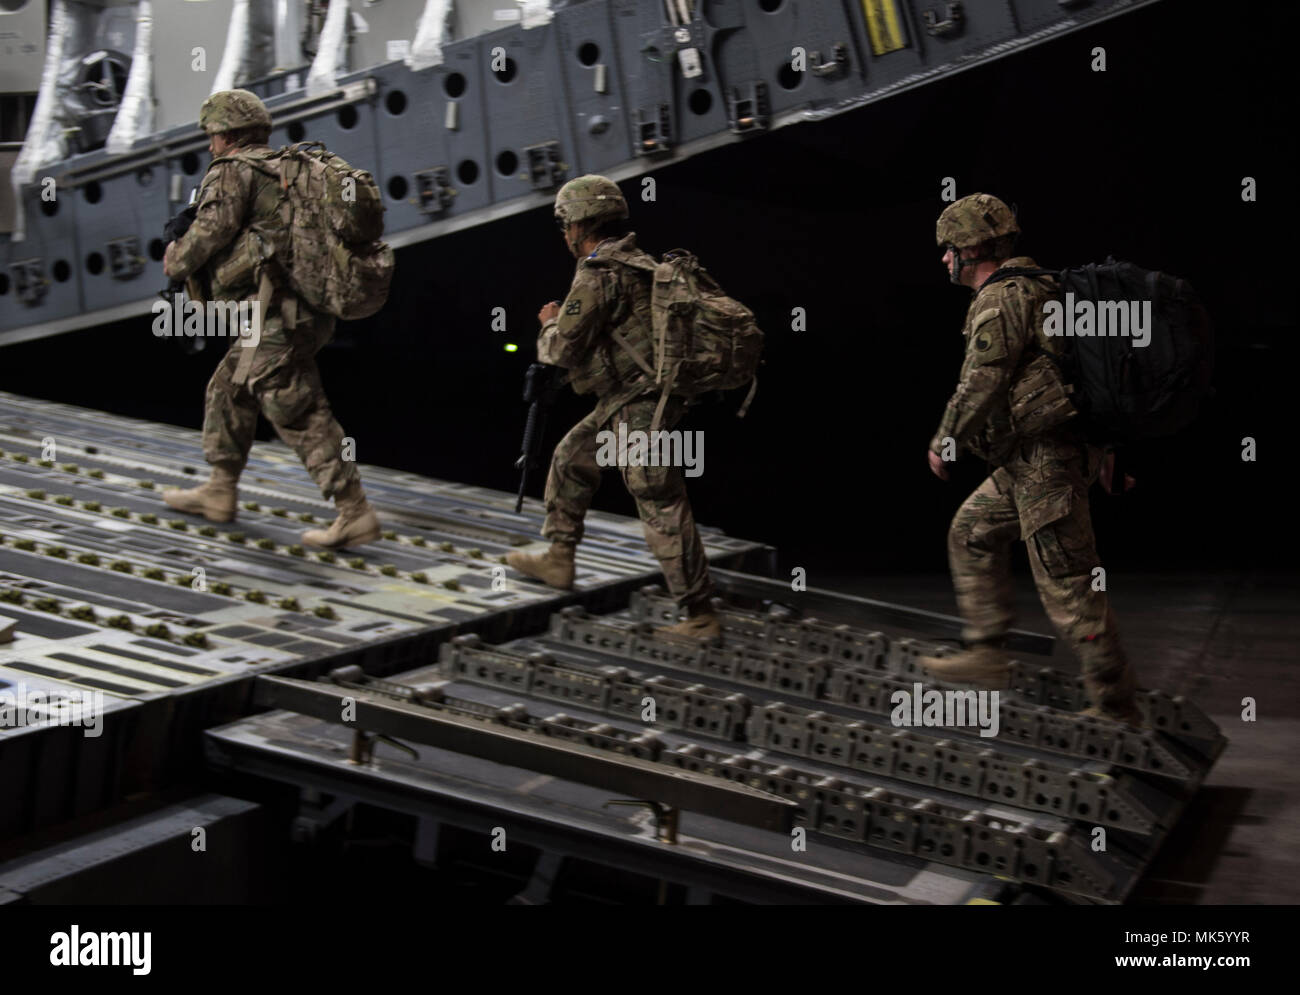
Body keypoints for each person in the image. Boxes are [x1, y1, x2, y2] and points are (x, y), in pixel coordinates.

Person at [920, 193, 1143, 726]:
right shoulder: (1045, 288)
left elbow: (983, 380)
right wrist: (1106, 452)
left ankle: (1117, 707)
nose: (944, 260)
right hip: (1033, 461)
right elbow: (1080, 379)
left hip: (1048, 465)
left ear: (973, 249)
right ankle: (987, 652)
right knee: (970, 532)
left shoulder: (1003, 299)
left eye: (950, 249)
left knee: (1069, 585)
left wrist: (945, 438)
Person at [160, 89, 379, 549]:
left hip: (274, 314)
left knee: (296, 408)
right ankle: (220, 489)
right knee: (228, 389)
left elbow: (212, 229)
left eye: (214, 135)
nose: (210, 145)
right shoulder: (289, 167)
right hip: (307, 311)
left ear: (231, 135)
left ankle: (354, 510)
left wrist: (176, 260)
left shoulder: (233, 170)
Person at [504, 175, 719, 639]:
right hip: (629, 399)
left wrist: (548, 324)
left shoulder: (599, 272)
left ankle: (700, 615)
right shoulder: (636, 262)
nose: (565, 235)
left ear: (581, 224)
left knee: (659, 499)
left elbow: (562, 350)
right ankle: (560, 559)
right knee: (570, 458)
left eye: (566, 224)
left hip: (643, 406)